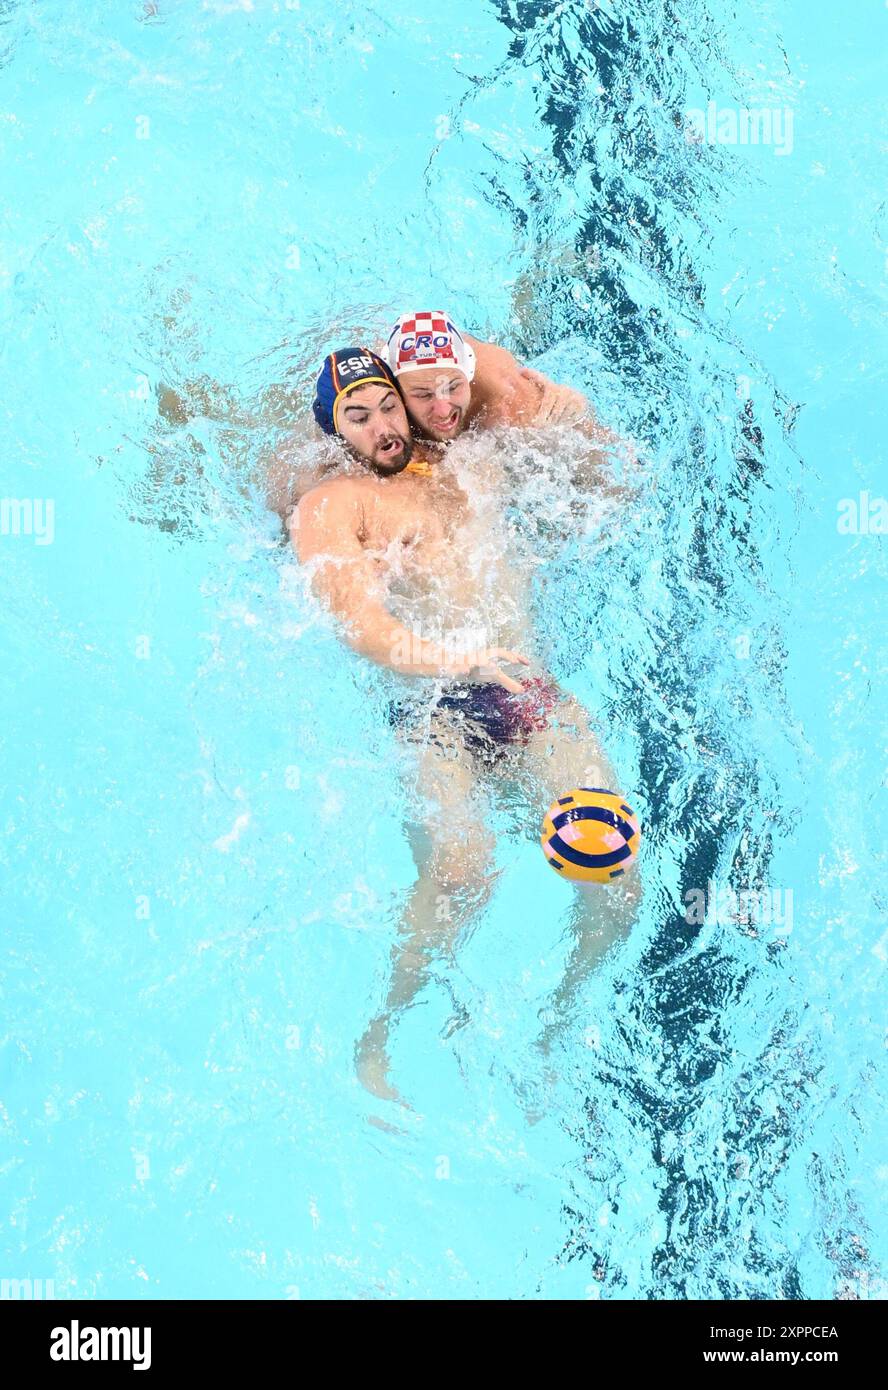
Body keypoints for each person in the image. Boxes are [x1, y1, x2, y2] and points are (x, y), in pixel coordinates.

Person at [294, 347, 639, 1105]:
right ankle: (378, 1040)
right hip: (436, 709)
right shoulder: (336, 505)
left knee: (615, 874)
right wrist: (456, 656)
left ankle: (555, 1032)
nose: (385, 426)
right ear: (333, 431)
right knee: (462, 871)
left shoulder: (467, 454)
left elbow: (614, 482)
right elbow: (362, 627)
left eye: (389, 404)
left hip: (528, 693)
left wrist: (572, 417)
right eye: (359, 417)